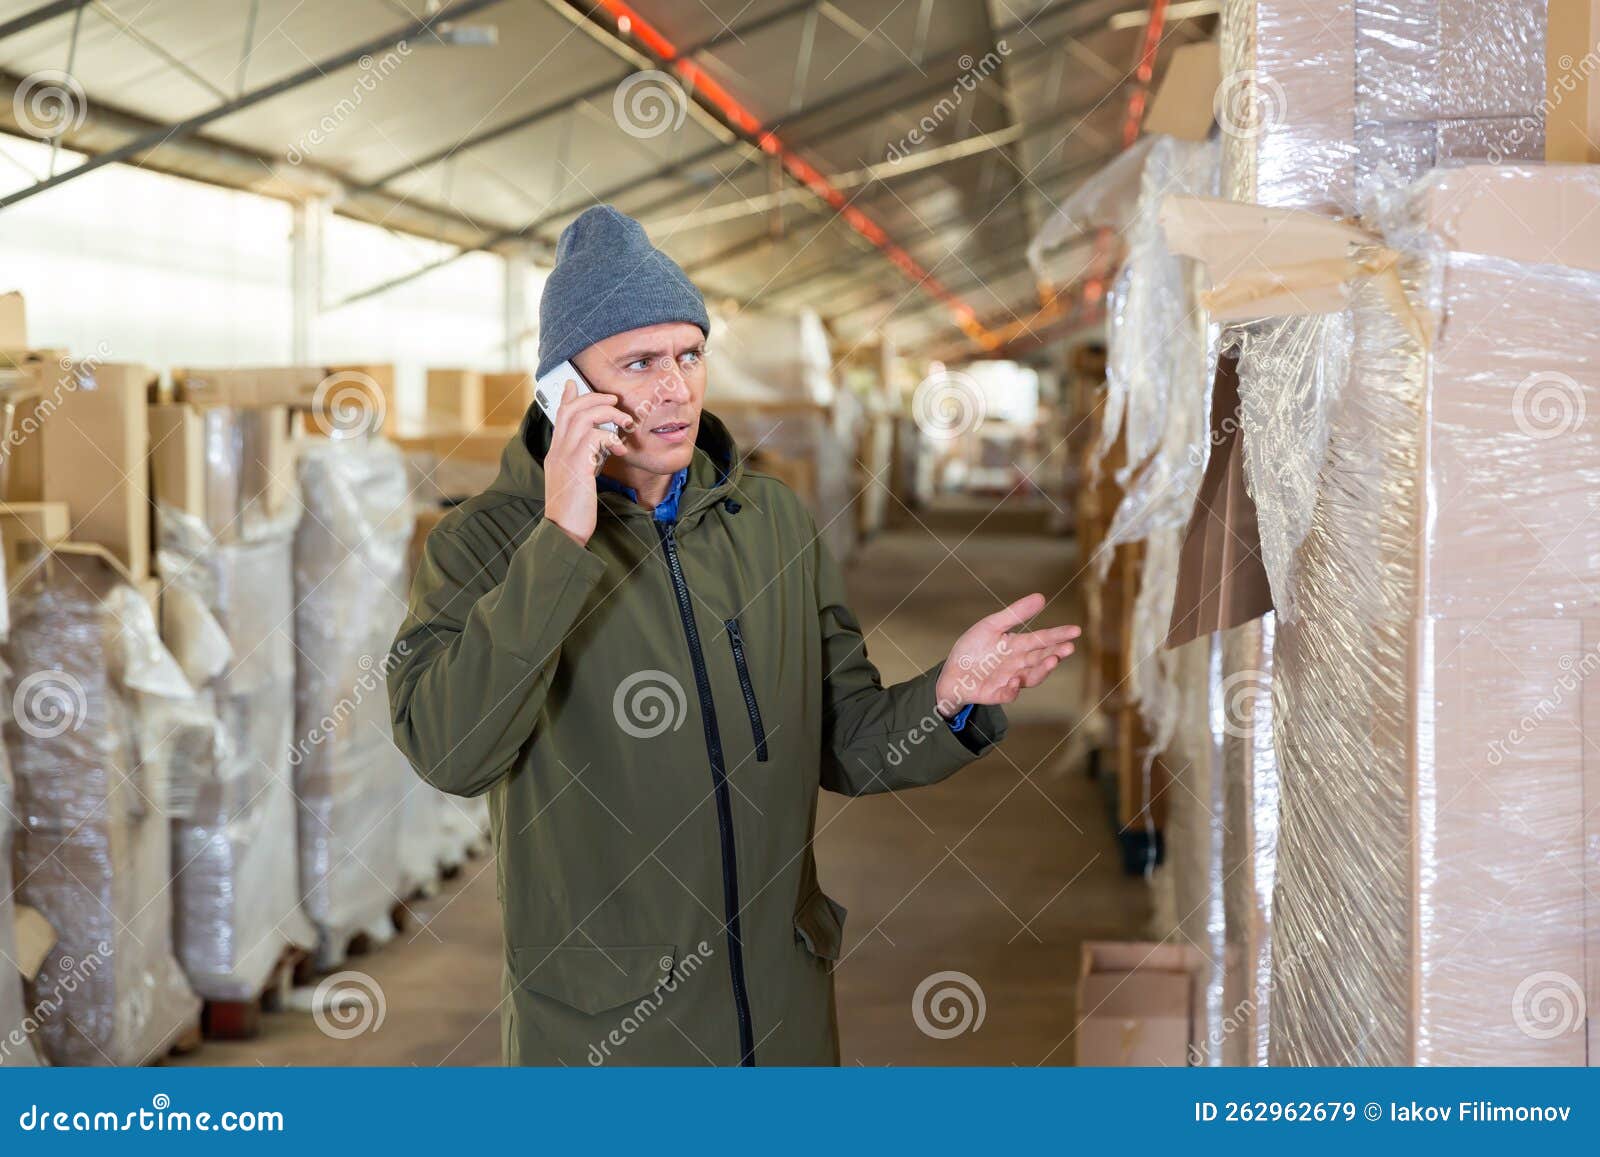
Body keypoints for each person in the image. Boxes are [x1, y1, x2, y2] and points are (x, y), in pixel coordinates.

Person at [387, 204, 1079, 1066]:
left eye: (689, 353)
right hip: (613, 1031)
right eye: (638, 362)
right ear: (564, 390)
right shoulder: (483, 545)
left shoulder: (772, 524)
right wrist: (559, 540)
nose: (676, 386)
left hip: (781, 1008)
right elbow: (452, 749)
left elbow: (844, 739)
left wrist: (945, 698)